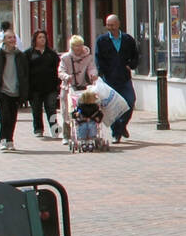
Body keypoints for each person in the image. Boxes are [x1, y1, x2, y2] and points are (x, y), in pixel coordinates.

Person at [94, 14, 138, 143]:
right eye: (108, 25)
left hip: (124, 78)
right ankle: (116, 133)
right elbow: (98, 58)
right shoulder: (102, 41)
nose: (110, 28)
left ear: (118, 24)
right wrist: (101, 73)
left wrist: (131, 65)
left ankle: (122, 125)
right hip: (109, 79)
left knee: (130, 102)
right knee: (112, 107)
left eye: (112, 25)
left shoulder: (128, 39)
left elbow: (135, 55)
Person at [0, 29, 29, 152]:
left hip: (15, 91)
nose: (12, 40)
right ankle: (3, 139)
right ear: (4, 40)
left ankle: (10, 139)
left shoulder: (20, 56)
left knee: (12, 117)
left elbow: (25, 74)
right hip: (2, 91)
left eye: (13, 38)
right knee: (4, 116)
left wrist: (25, 90)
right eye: (9, 38)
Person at [59, 35, 98, 145]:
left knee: (85, 109)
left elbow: (92, 68)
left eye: (80, 45)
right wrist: (67, 77)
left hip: (83, 86)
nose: (79, 48)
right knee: (67, 110)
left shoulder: (88, 57)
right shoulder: (65, 58)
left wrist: (93, 75)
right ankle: (66, 135)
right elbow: (61, 71)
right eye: (76, 46)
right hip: (68, 86)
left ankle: (88, 132)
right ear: (72, 46)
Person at [25, 29, 61, 139]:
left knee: (51, 108)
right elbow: (25, 70)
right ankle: (38, 129)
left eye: (44, 37)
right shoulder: (28, 53)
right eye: (39, 37)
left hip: (50, 87)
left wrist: (57, 84)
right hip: (34, 87)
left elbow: (57, 68)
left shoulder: (51, 53)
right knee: (36, 109)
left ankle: (54, 129)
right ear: (35, 39)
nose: (42, 39)